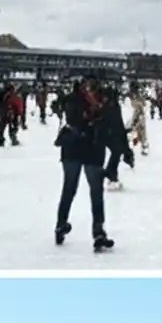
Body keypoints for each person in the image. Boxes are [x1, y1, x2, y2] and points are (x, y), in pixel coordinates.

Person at [54, 78, 113, 251]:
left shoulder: (102, 101)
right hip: (80, 148)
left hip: (87, 150)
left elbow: (110, 125)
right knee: (73, 189)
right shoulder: (76, 100)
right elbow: (73, 118)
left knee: (91, 191)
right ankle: (64, 224)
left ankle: (97, 230)